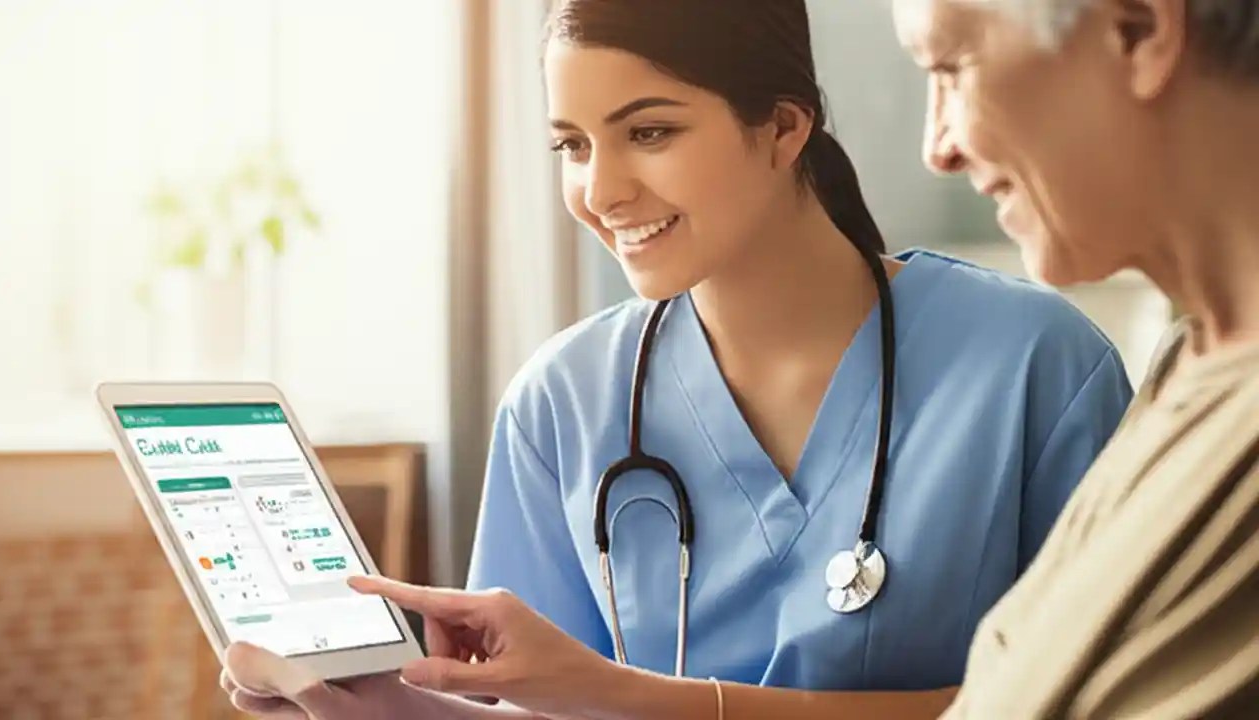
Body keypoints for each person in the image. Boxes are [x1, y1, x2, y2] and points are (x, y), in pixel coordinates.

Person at [218, 0, 1148, 717]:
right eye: (572, 146)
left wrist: (636, 699)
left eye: (649, 132)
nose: (601, 189)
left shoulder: (1037, 369)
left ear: (786, 129)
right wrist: (388, 707)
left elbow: (1112, 702)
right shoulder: (561, 405)